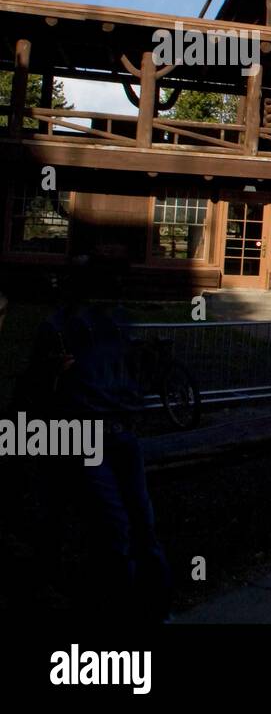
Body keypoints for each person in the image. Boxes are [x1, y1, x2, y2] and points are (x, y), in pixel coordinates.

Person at [27, 262, 172, 621]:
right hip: (84, 437)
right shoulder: (56, 328)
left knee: (142, 521)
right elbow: (35, 391)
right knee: (115, 525)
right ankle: (122, 606)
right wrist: (52, 374)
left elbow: (134, 380)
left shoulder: (118, 325)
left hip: (121, 434)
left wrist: (148, 368)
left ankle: (153, 605)